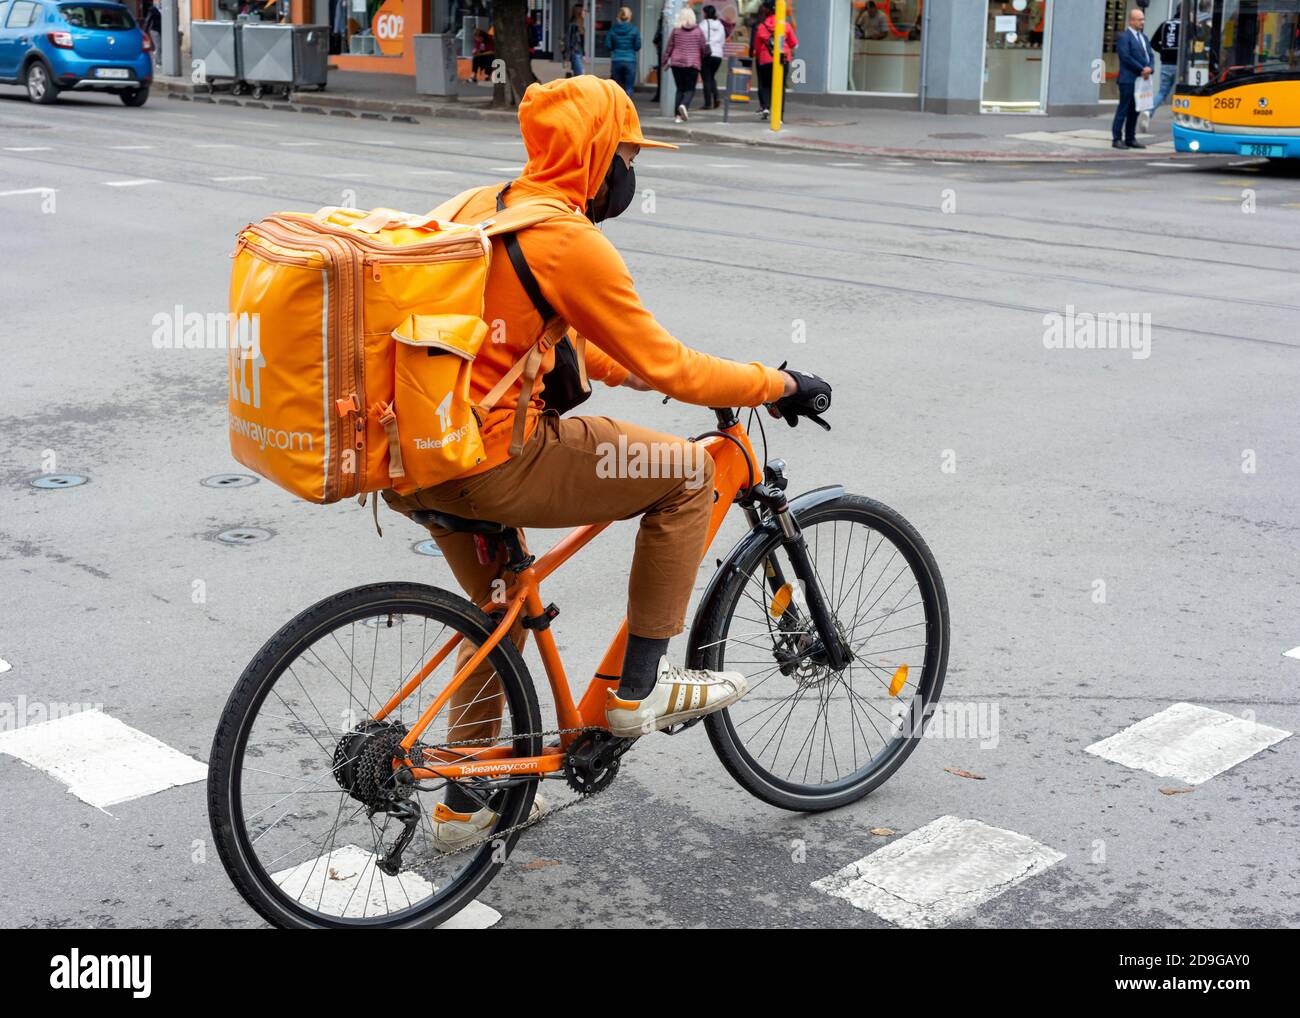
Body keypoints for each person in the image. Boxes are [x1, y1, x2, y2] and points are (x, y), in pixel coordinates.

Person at [383, 76, 828, 846]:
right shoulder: (569, 240)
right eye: (626, 155)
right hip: (494, 458)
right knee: (688, 475)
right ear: (594, 155)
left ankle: (463, 806)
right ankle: (638, 692)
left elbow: (546, 336)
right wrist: (777, 382)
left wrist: (614, 367)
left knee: (500, 616)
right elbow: (674, 370)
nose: (631, 173)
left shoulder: (481, 205)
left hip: (417, 457)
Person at [1113, 7, 1154, 149]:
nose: (1142, 22)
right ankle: (1117, 139)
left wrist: (1150, 68)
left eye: (1143, 19)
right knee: (1123, 110)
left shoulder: (1144, 37)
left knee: (1135, 111)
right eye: (1139, 19)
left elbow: (1151, 55)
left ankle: (1130, 138)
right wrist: (1142, 69)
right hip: (1128, 80)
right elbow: (1125, 57)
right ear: (1131, 21)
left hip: (1141, 80)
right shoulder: (1124, 37)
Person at [754, 0, 797, 119]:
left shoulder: (761, 26)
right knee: (780, 86)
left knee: (766, 85)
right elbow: (793, 43)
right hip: (782, 59)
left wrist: (759, 54)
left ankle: (766, 107)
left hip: (765, 59)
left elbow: (757, 47)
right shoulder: (785, 25)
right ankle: (780, 116)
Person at [663, 6, 706, 122]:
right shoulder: (698, 31)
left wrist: (664, 61)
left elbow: (669, 47)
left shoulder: (676, 30)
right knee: (690, 89)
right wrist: (701, 58)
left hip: (676, 63)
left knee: (680, 89)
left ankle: (678, 116)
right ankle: (684, 105)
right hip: (692, 64)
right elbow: (703, 47)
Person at [1148, 5, 1181, 128]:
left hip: (1166, 64)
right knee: (1180, 94)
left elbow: (1153, 42)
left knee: (1161, 93)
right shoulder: (1186, 26)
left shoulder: (1164, 24)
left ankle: (1148, 112)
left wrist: (1163, 51)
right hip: (1180, 65)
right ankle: (1180, 120)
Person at [606, 7, 641, 98]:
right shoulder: (634, 29)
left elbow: (608, 45)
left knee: (617, 87)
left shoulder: (613, 29)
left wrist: (615, 48)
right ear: (629, 17)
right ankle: (627, 107)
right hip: (630, 60)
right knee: (629, 87)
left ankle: (618, 107)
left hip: (616, 60)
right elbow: (637, 46)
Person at [699, 4, 728, 111]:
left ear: (706, 13)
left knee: (706, 78)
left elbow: (700, 40)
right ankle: (716, 98)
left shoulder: (703, 24)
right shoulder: (720, 25)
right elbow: (723, 41)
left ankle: (707, 103)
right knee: (711, 77)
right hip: (718, 54)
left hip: (707, 53)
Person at [566, 4, 586, 77]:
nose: (585, 12)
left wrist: (583, 54)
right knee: (580, 76)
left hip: (579, 53)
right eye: (584, 10)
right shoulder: (573, 25)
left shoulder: (581, 25)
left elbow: (581, 42)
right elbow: (568, 40)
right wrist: (567, 56)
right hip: (575, 53)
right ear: (579, 12)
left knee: (578, 76)